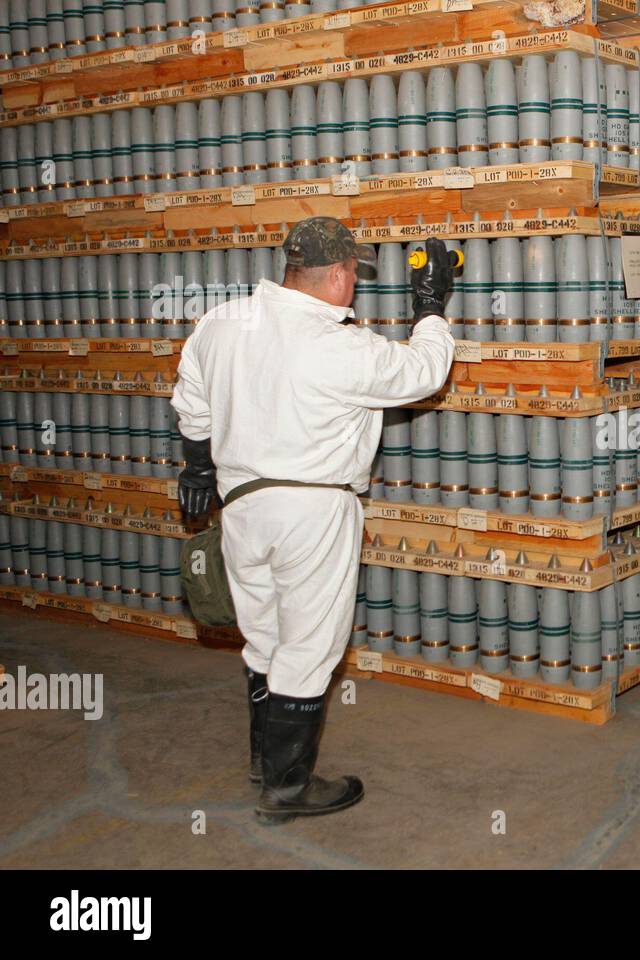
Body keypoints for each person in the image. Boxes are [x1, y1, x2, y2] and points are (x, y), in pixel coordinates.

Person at [170, 218, 457, 823]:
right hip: (313, 509)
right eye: (354, 271)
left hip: (242, 505)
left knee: (265, 638)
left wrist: (197, 468)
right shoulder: (339, 344)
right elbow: (423, 373)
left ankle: (264, 762)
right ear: (334, 275)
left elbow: (191, 401)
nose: (355, 282)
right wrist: (430, 308)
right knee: (309, 646)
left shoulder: (221, 323)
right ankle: (288, 788)